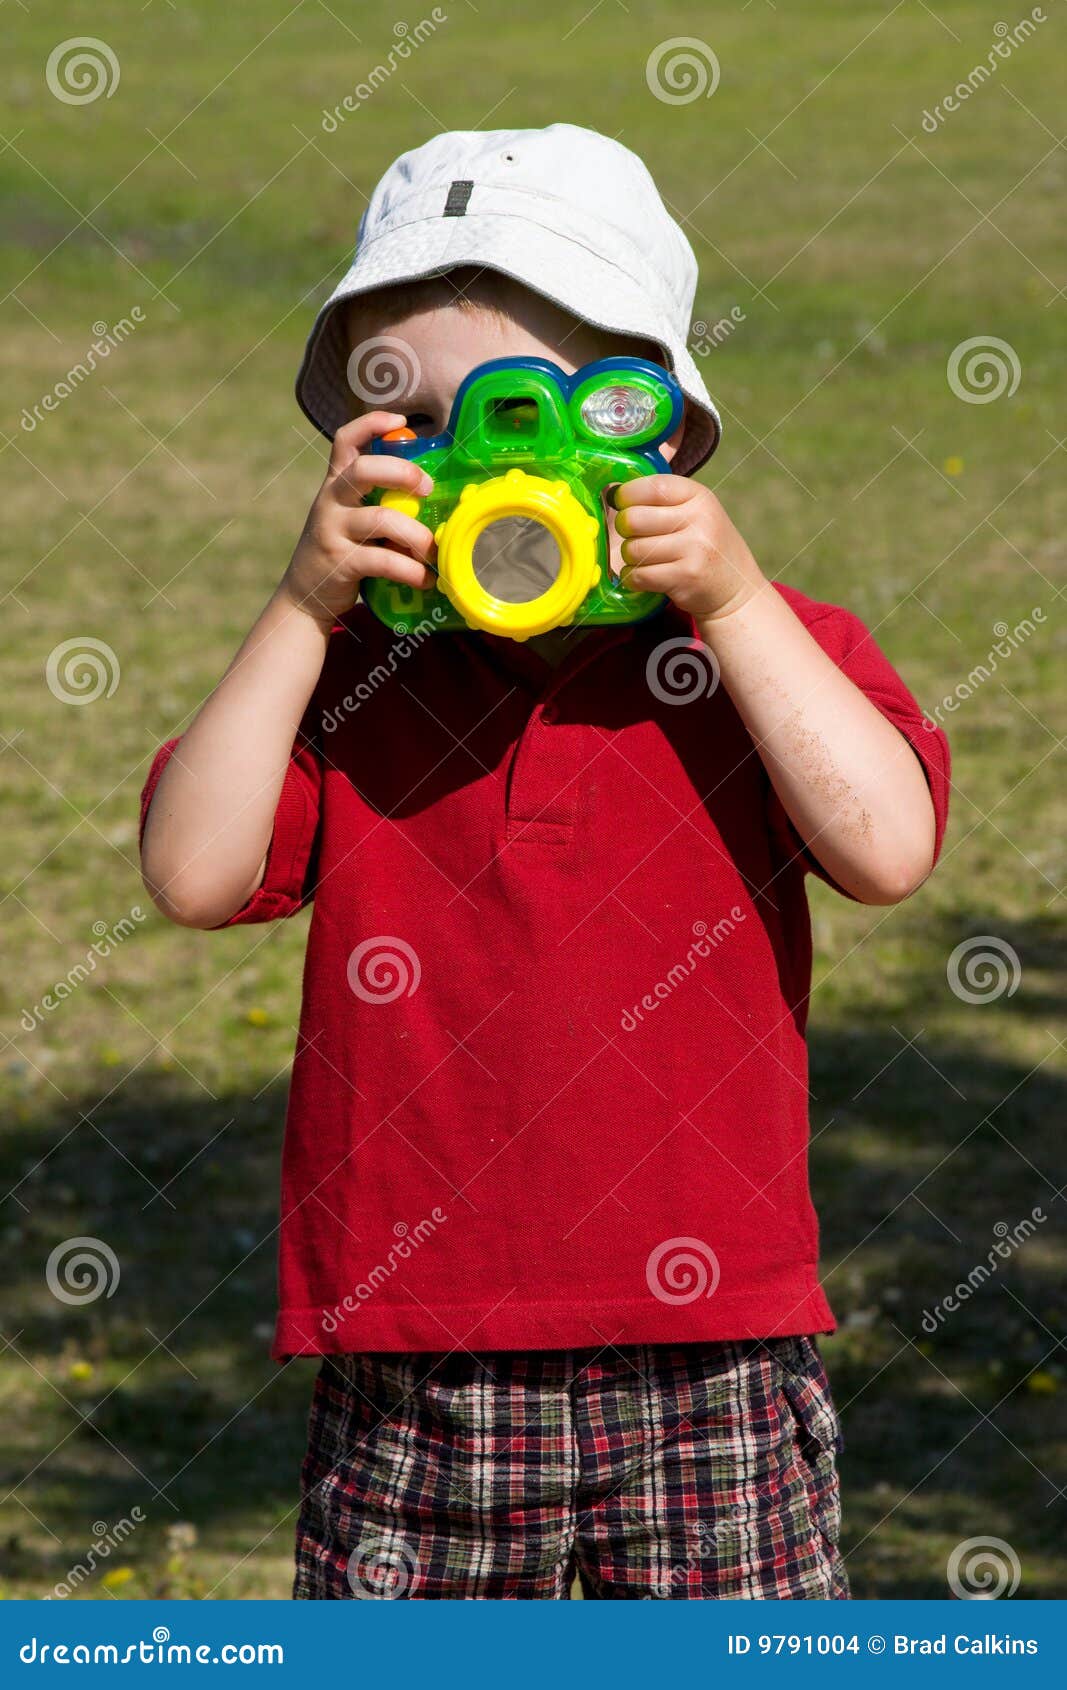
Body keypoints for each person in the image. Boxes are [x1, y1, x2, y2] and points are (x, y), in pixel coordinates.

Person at [139, 124, 950, 1600]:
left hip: (714, 1341)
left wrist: (737, 597)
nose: (487, 469)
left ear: (664, 432)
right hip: (415, 1352)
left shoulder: (756, 654)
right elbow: (194, 872)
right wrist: (303, 607)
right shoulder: (349, 677)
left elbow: (887, 844)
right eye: (417, 426)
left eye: (542, 416)